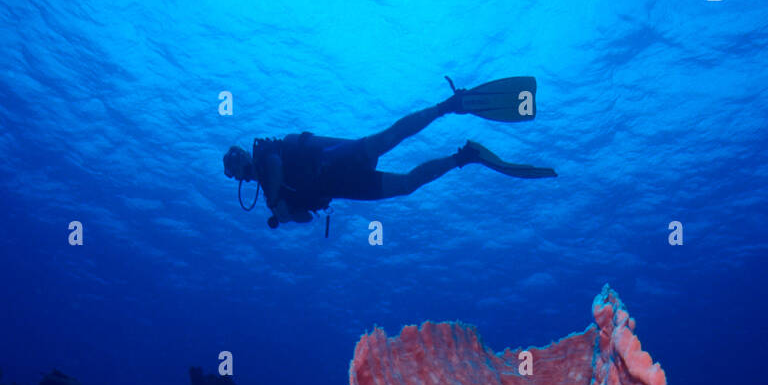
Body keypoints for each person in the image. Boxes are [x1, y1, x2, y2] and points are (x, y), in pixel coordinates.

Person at [223, 79, 557, 229]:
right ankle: (464, 156)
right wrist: (286, 215)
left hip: (334, 158)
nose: (238, 168)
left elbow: (276, 162)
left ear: (241, 152)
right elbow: (306, 216)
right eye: (232, 170)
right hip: (342, 188)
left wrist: (275, 200)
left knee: (390, 137)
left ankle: (451, 105)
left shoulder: (265, 152)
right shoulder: (269, 195)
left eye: (235, 159)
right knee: (407, 185)